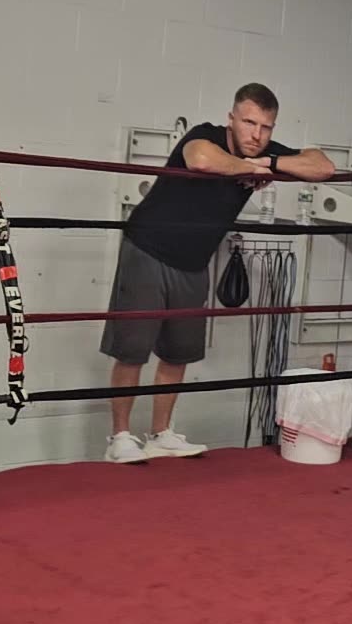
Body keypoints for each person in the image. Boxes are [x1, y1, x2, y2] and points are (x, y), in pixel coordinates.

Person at [100, 84, 334, 464]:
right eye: (248, 123)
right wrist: (251, 167)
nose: (256, 134)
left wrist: (271, 163)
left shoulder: (264, 152)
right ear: (231, 119)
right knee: (131, 351)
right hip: (147, 248)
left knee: (177, 353)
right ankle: (119, 438)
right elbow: (202, 160)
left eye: (265, 127)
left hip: (194, 262)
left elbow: (323, 166)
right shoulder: (205, 135)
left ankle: (160, 434)